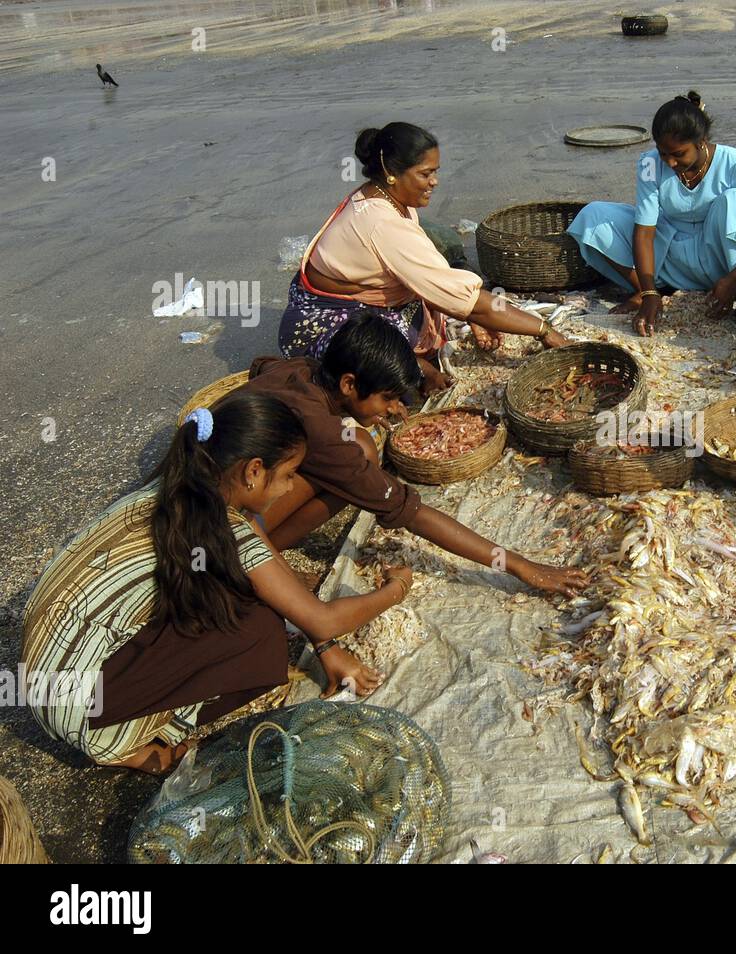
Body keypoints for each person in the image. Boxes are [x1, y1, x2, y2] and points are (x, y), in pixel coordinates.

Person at [21, 392, 407, 774]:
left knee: (248, 597)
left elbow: (267, 570)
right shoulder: (224, 528)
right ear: (253, 471)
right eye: (288, 476)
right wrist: (395, 590)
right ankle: (125, 745)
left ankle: (123, 718)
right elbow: (321, 619)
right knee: (260, 633)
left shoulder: (174, 490)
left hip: (42, 673)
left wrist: (324, 647)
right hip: (73, 705)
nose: (291, 488)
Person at [250, 312, 588, 596]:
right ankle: (254, 561)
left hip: (232, 477)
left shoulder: (300, 370)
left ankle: (265, 546)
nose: (392, 408)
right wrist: (518, 564)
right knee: (354, 464)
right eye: (386, 398)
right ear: (349, 384)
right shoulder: (322, 433)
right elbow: (409, 512)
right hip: (221, 520)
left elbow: (259, 365)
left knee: (361, 449)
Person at [279, 121, 573, 394]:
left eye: (435, 171)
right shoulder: (382, 223)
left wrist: (471, 313)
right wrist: (542, 330)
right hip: (321, 321)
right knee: (387, 373)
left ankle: (422, 358)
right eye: (425, 173)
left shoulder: (388, 197)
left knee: (451, 294)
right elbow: (461, 296)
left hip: (369, 301)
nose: (434, 182)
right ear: (391, 172)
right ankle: (419, 368)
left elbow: (439, 283)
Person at [567, 91, 736, 336]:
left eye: (678, 154)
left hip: (722, 262)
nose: (669, 162)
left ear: (701, 142)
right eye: (663, 153)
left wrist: (732, 280)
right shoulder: (650, 164)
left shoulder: (734, 163)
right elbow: (645, 232)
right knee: (593, 216)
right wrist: (649, 292)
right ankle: (647, 291)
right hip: (669, 258)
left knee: (734, 201)